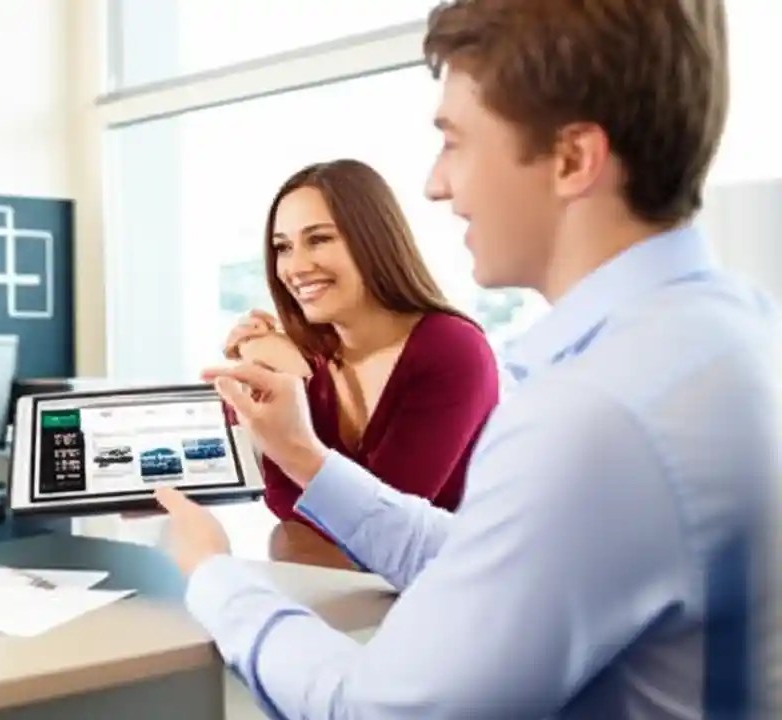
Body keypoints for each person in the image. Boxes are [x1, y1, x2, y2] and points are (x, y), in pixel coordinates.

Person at [157, 1, 781, 717]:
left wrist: (214, 576)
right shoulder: (722, 337)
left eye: (454, 142)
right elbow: (481, 554)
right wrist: (302, 454)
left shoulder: (594, 416)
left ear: (572, 159)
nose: (436, 184)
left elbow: (379, 711)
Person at [222, 160, 498, 530]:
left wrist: (297, 394)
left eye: (319, 239)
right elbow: (280, 502)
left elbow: (379, 526)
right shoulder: (306, 358)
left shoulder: (452, 349)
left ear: (374, 240)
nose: (295, 267)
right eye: (283, 247)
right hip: (330, 569)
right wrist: (260, 380)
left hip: (451, 567)